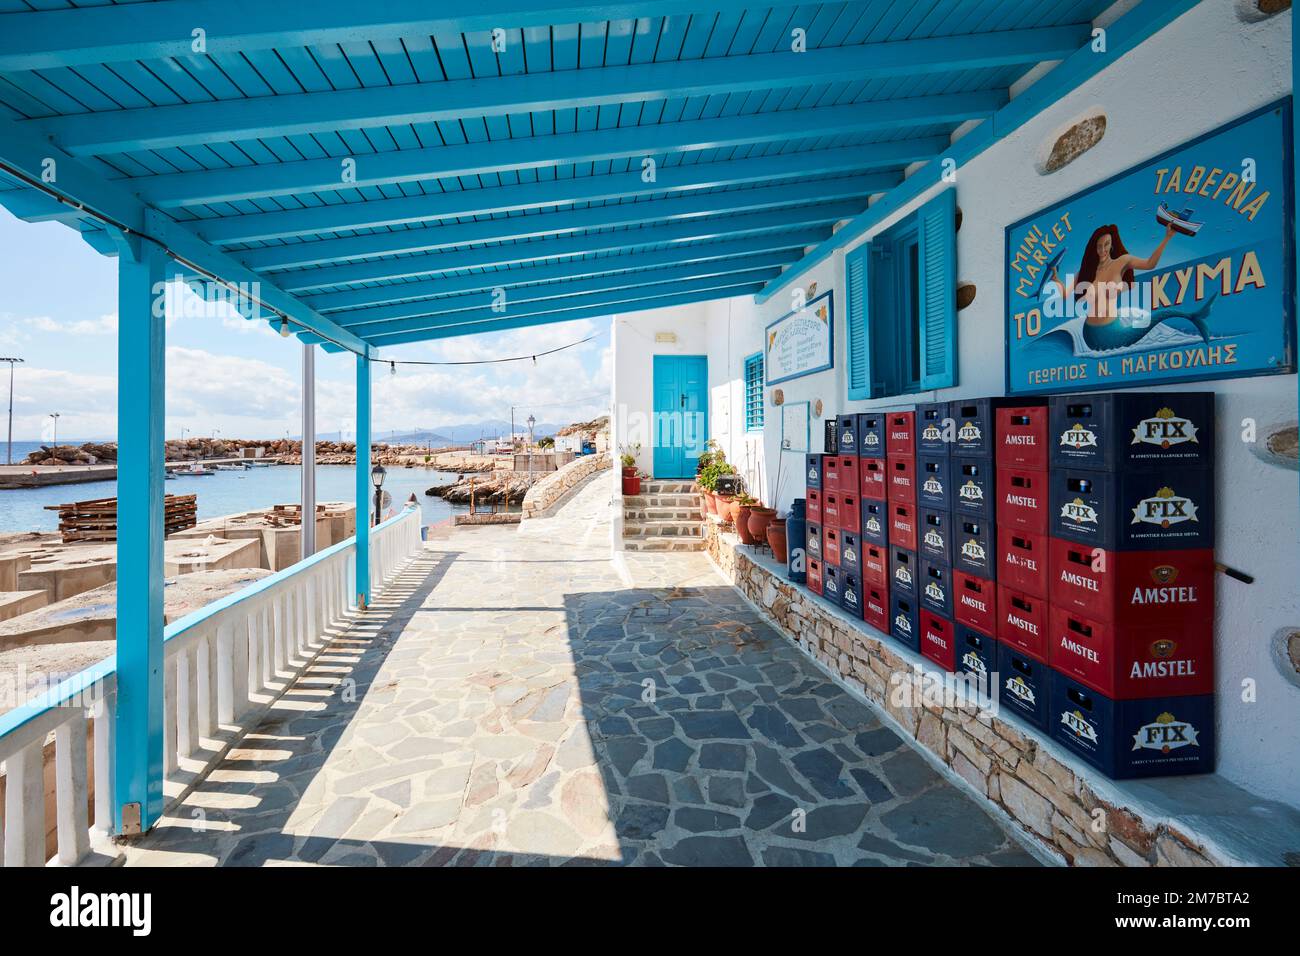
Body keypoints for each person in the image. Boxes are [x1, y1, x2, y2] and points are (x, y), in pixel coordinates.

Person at [1047, 222, 1213, 351]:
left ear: (1111, 244)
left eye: (1106, 244)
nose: (1102, 249)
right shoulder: (1086, 271)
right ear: (1094, 247)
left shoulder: (1122, 262)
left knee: (1158, 316)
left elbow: (1150, 264)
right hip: (1089, 333)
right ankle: (1193, 316)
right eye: (1099, 246)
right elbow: (1064, 294)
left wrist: (1167, 238)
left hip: (1112, 332)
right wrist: (1055, 278)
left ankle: (1192, 317)